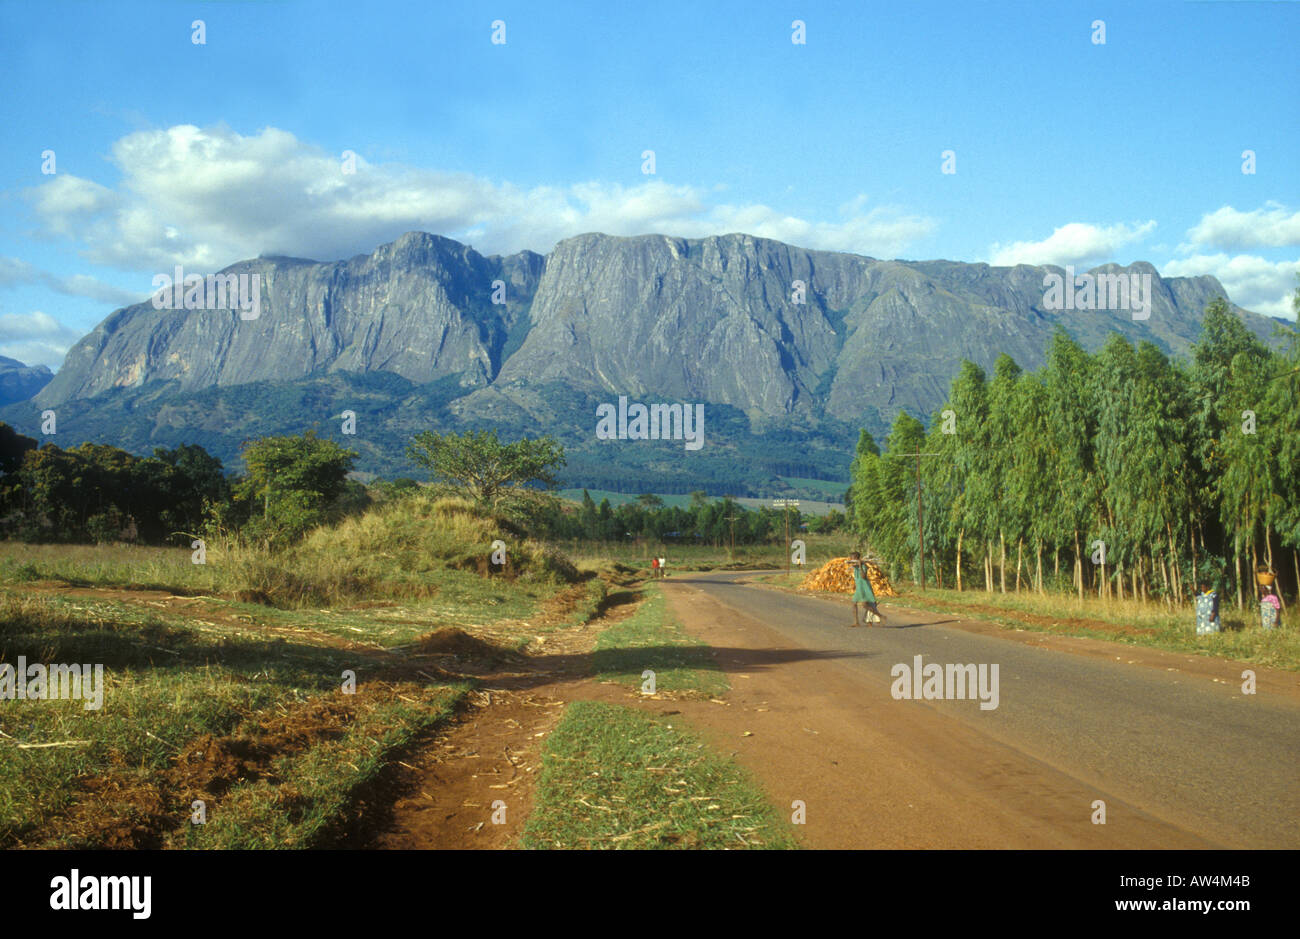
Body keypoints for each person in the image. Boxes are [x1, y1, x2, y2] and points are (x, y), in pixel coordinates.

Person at [847, 552, 885, 627]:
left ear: (857, 559)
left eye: (853, 558)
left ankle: (881, 616)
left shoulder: (863, 566)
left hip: (865, 588)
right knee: (854, 604)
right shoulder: (855, 567)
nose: (851, 560)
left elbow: (863, 576)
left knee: (865, 605)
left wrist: (860, 565)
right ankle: (856, 622)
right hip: (859, 588)